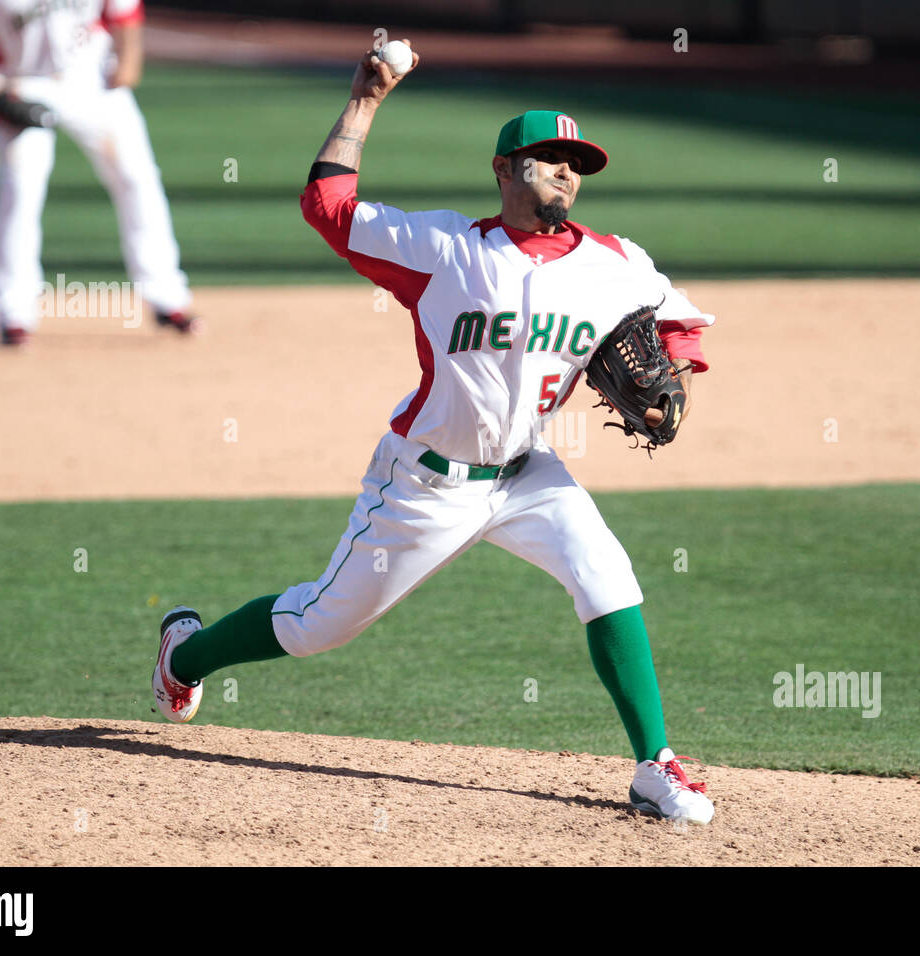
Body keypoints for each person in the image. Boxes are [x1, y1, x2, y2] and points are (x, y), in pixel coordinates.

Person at [152, 39, 717, 823]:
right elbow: (330, 209)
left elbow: (678, 322)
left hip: (528, 475)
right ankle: (186, 653)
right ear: (503, 170)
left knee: (607, 576)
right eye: (547, 156)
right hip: (423, 483)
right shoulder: (447, 249)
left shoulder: (616, 263)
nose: (565, 170)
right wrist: (365, 96)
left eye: (575, 160)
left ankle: (655, 765)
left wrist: (672, 385)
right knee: (319, 626)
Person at [0, 0, 198, 346]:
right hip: (22, 84)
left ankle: (168, 298)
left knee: (138, 179)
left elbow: (125, 10)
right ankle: (14, 313)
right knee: (21, 192)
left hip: (93, 79)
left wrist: (130, 57)